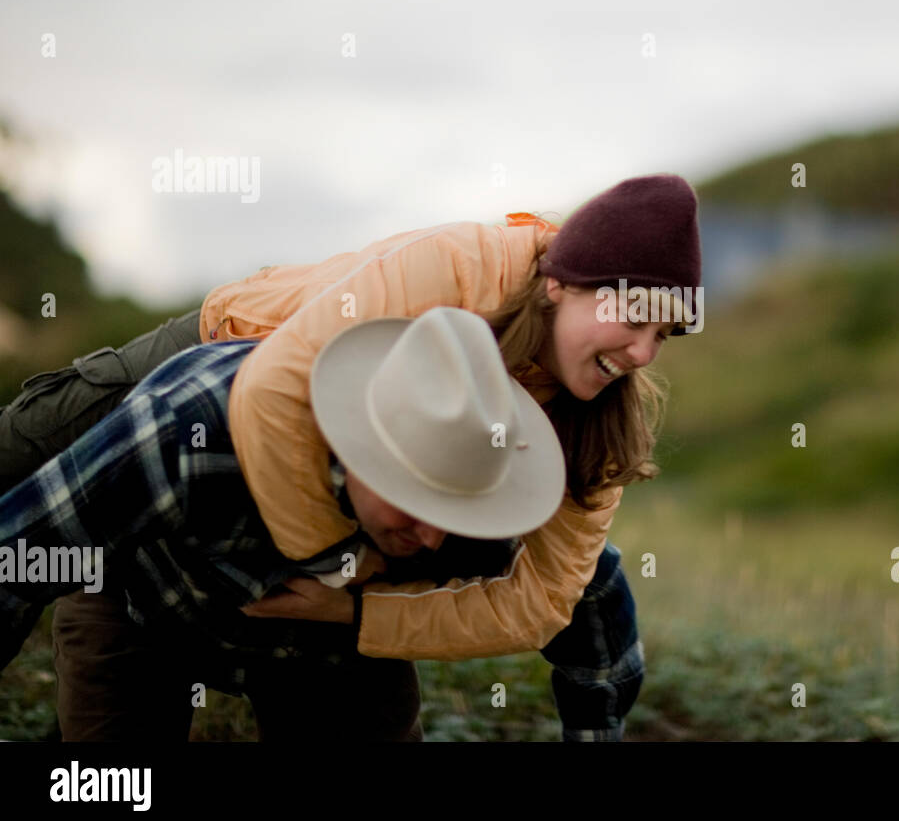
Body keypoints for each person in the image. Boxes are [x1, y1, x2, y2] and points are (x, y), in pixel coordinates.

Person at [0, 172, 703, 740]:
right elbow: (271, 390)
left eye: (664, 335)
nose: (642, 353)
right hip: (246, 352)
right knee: (33, 453)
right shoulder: (462, 268)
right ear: (560, 281)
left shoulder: (589, 417)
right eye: (633, 318)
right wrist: (336, 565)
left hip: (406, 471)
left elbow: (554, 597)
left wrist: (356, 613)